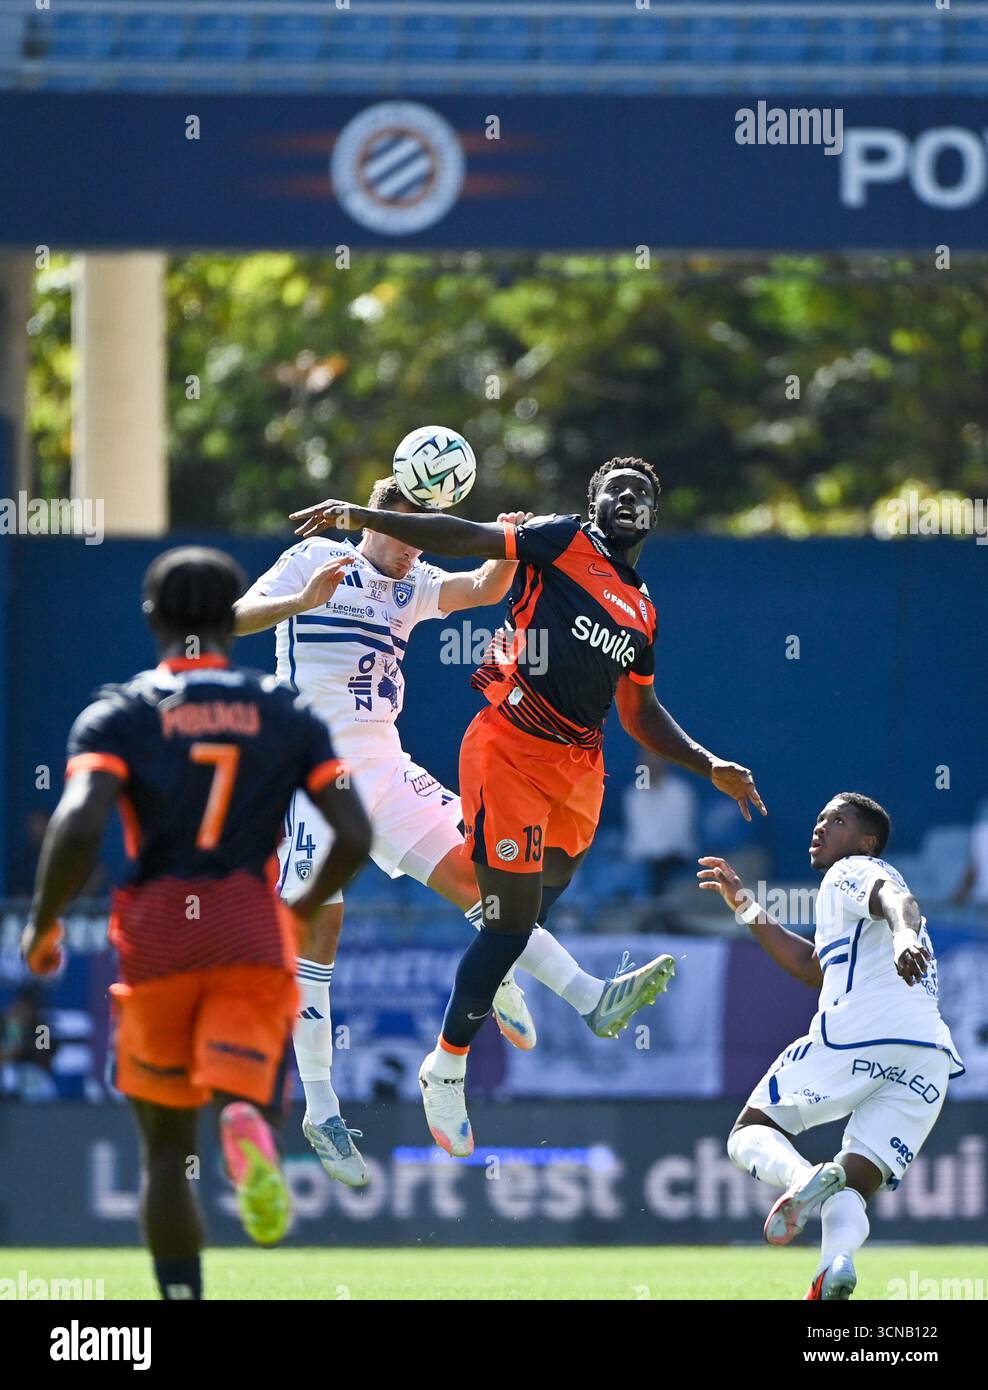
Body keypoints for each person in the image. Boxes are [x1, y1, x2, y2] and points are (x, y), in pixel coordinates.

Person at [291, 456, 765, 1156]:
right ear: (593, 502)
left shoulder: (643, 608)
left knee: (518, 918)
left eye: (641, 492)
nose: (628, 497)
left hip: (581, 765)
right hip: (510, 744)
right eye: (615, 488)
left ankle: (523, 975)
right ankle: (446, 1066)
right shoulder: (561, 538)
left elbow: (640, 711)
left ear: (654, 516)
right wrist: (360, 516)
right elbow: (463, 539)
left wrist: (707, 762)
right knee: (507, 919)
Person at [236, 476, 646, 1184]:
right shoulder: (314, 562)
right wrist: (300, 603)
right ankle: (322, 1106)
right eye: (403, 534)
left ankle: (581, 993)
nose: (411, 552)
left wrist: (511, 550)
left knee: (485, 881)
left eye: (422, 535)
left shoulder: (413, 578)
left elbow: (480, 589)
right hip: (311, 770)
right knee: (316, 935)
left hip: (385, 768)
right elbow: (233, 616)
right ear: (372, 522)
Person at [21, 547, 371, 1300]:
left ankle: (181, 1297)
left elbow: (79, 824)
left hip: (155, 939)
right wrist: (298, 910)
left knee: (166, 1152)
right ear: (228, 619)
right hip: (249, 926)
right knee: (241, 1094)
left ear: (153, 618)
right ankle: (245, 1119)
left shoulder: (120, 713)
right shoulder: (286, 711)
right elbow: (355, 833)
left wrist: (43, 925)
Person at [698, 791, 964, 1301]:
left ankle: (802, 1178)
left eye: (836, 820)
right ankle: (834, 1266)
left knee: (749, 1133)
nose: (820, 827)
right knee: (855, 1184)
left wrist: (906, 936)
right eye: (819, 818)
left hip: (862, 1035)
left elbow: (899, 901)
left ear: (866, 841)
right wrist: (745, 905)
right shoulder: (847, 909)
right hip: (927, 1058)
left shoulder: (851, 870)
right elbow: (810, 969)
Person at [623, 751, 698, 896]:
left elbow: (679, 834)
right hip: (642, 860)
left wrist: (658, 855)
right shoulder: (633, 795)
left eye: (656, 761)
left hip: (676, 857)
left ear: (665, 763)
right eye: (647, 762)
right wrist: (650, 856)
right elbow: (639, 835)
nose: (651, 765)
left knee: (661, 868)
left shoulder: (680, 792)